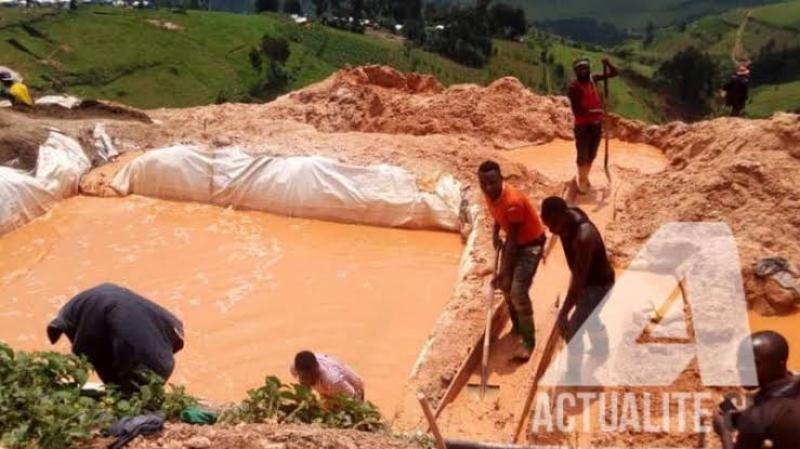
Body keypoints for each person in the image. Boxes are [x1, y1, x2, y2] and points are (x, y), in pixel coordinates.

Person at [47, 283, 184, 393]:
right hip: (164, 350)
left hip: (148, 365)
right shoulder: (97, 299)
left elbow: (87, 351)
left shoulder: (88, 311)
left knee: (127, 391)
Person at [478, 160, 546, 361]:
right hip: (514, 241)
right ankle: (517, 325)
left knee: (518, 292)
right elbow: (497, 215)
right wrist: (495, 232)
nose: (488, 187)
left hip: (530, 245)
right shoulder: (490, 195)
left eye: (492, 182)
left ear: (501, 178)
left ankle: (528, 342)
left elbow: (515, 241)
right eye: (483, 183)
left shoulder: (513, 202)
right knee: (505, 286)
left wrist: (504, 271)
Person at [540, 196, 614, 382]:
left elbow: (578, 281)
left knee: (573, 332)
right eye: (548, 226)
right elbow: (578, 278)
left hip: (599, 286)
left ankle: (573, 376)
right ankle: (601, 348)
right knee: (590, 317)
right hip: (588, 283)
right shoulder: (566, 219)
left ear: (563, 214)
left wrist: (564, 311)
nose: (552, 230)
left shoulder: (584, 237)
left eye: (553, 225)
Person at [713, 330, 800, 449]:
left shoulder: (756, 417)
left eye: (754, 363)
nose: (741, 368)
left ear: (780, 363)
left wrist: (724, 432)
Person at [567, 58, 618, 194]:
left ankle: (585, 177)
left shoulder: (593, 79)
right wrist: (597, 111)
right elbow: (578, 111)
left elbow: (614, 73)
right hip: (583, 125)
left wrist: (608, 64)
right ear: (576, 72)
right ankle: (582, 179)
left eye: (585, 68)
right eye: (580, 69)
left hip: (596, 124)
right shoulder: (574, 87)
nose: (583, 71)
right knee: (582, 154)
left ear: (589, 69)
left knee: (592, 154)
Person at [290, 351, 365, 402]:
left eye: (309, 377)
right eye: (303, 378)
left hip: (354, 389)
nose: (306, 381)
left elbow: (353, 398)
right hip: (327, 388)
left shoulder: (333, 380)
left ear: (317, 369)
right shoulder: (294, 368)